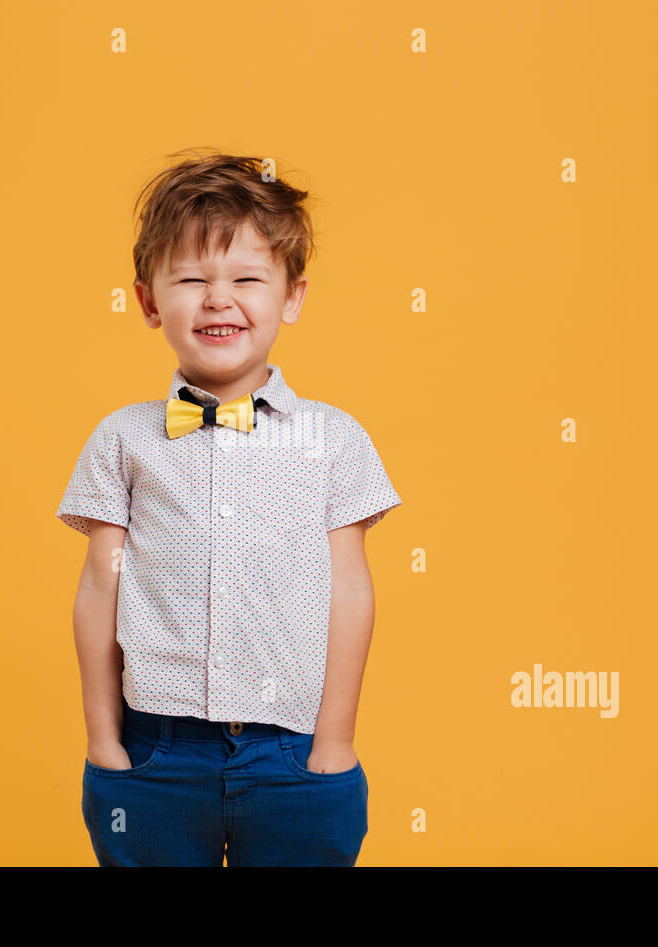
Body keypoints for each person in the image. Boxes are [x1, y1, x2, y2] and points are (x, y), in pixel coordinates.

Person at [56, 149, 401, 866]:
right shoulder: (123, 438)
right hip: (155, 753)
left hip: (294, 751)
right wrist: (104, 739)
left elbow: (350, 590)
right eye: (190, 279)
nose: (218, 299)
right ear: (149, 302)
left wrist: (333, 742)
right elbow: (100, 586)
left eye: (247, 278)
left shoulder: (334, 439)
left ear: (293, 297)